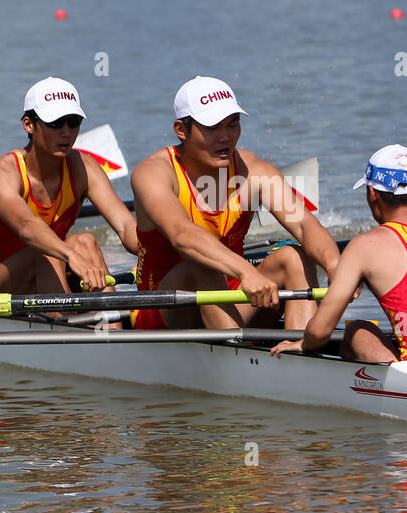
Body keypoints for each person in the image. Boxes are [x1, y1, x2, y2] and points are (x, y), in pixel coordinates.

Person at [131, 76, 339, 329]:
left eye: (232, 125)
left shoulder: (255, 171)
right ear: (181, 130)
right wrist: (246, 271)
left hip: (235, 296)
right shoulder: (153, 173)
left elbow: (305, 225)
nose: (225, 137)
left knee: (293, 256)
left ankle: (301, 350)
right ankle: (236, 356)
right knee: (203, 265)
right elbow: (181, 235)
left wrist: (335, 265)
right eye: (213, 128)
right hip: (162, 309)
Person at [272, 145, 407, 361]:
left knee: (357, 330)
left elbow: (319, 332)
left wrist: (304, 344)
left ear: (372, 194)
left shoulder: (364, 247)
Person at [0, 78, 137, 295]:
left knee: (85, 241)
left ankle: (109, 324)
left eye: (73, 122)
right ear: (28, 124)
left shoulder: (84, 167)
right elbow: (27, 227)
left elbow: (125, 225)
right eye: (55, 123)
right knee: (44, 252)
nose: (66, 132)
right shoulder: (2, 172)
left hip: (46, 277)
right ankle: (66, 323)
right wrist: (71, 256)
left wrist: (160, 250)